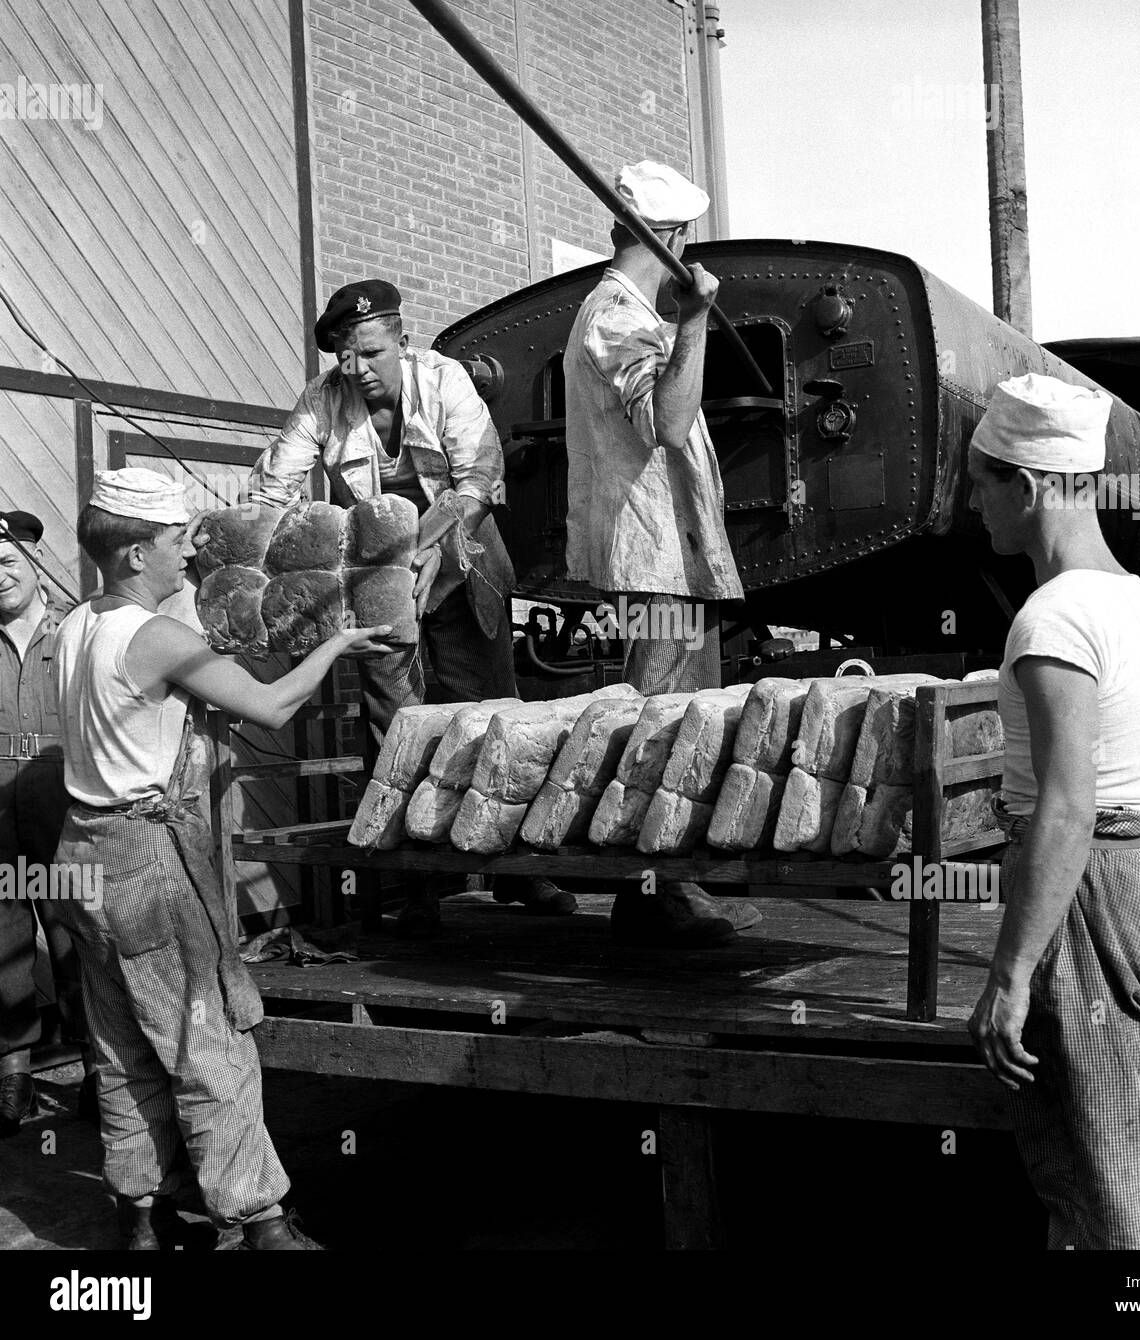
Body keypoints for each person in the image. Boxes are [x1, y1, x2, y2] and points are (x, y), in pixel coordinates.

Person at [51, 467, 392, 1249]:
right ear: (136, 553)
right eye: (176, 544)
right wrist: (338, 641)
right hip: (145, 858)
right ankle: (260, 1220)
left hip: (82, 850)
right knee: (208, 1038)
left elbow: (175, 689)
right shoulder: (158, 638)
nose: (189, 556)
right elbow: (271, 708)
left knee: (121, 1043)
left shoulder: (77, 624)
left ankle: (139, 1211)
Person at [964, 373, 1140, 1250]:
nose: (974, 505)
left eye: (981, 480)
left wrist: (1010, 974)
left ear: (1031, 484)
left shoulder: (1053, 619)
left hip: (1090, 897)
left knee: (1103, 1188)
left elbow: (1068, 809)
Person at [246, 279, 571, 920]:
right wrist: (251, 544)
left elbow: (481, 473)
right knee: (394, 721)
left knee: (489, 713)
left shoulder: (446, 379)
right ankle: (419, 884)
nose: (357, 370)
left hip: (465, 555)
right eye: (345, 356)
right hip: (380, 575)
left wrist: (432, 544)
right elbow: (274, 486)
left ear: (399, 338)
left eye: (370, 352)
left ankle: (513, 871)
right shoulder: (321, 399)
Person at [562, 160, 758, 947]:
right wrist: (699, 318)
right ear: (670, 237)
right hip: (651, 562)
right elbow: (670, 425)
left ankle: (669, 886)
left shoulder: (636, 314)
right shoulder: (615, 315)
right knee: (656, 722)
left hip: (671, 559)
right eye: (685, 237)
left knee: (681, 718)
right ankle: (645, 895)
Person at [0, 510, 95, 1136]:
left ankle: (100, 1070)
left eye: (7, 561)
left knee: (76, 942)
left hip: (63, 813)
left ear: (35, 560)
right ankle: (13, 1077)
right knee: (2, 946)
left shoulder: (79, 636)